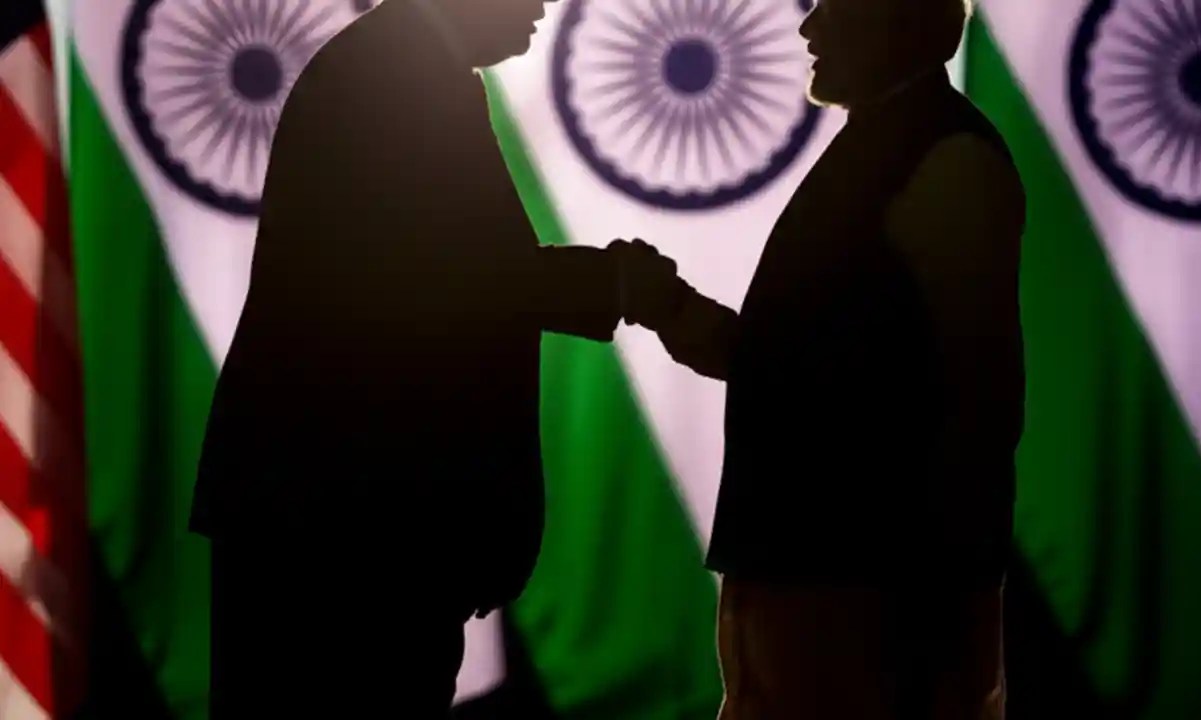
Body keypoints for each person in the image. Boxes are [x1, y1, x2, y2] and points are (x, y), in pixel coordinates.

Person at [187, 1, 665, 716]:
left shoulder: (400, 65)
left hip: (336, 529)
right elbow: (444, 280)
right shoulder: (395, 76)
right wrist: (622, 285)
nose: (541, 5)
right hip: (348, 548)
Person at [618, 0, 1027, 716]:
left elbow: (978, 405)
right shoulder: (893, 148)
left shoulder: (944, 159)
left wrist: (935, 630)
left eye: (832, 8)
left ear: (895, 21)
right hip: (822, 587)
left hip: (866, 603)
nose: (808, 28)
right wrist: (674, 310)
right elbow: (818, 367)